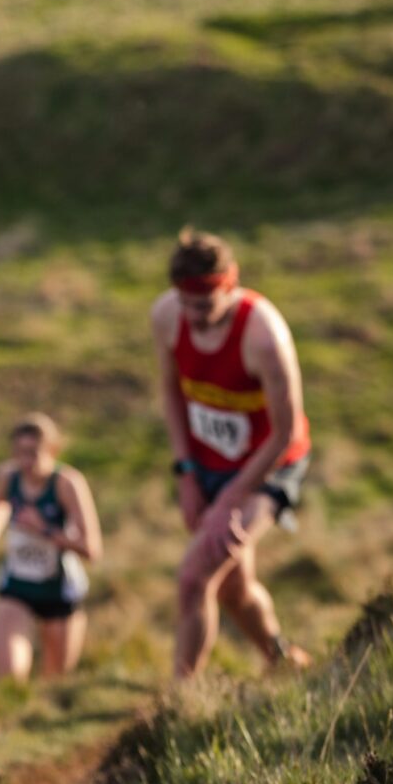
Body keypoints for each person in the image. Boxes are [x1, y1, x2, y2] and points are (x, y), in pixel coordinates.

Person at [150, 230, 313, 681]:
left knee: (194, 578)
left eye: (205, 305)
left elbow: (285, 432)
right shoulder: (166, 316)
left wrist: (228, 502)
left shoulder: (264, 337)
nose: (194, 317)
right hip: (207, 463)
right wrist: (185, 473)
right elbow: (171, 391)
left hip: (269, 465)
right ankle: (283, 660)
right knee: (234, 587)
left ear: (231, 284)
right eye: (186, 304)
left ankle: (180, 701)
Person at [0, 414, 100, 681]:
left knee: (55, 680)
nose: (25, 462)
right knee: (10, 680)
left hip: (60, 591)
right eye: (19, 453)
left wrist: (45, 530)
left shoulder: (67, 483)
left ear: (53, 450)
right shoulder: (7, 477)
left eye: (33, 453)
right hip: (17, 585)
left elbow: (92, 549)